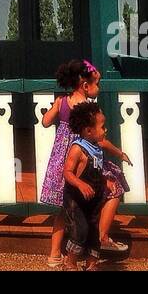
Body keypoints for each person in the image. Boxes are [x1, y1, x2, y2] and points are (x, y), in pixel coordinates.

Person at [38, 59, 90, 268]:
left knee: (62, 208)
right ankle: (81, 253)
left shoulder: (62, 102)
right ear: (82, 82)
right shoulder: (87, 106)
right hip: (81, 155)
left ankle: (54, 253)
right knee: (83, 205)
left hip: (61, 157)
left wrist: (55, 108)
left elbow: (45, 121)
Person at [80, 62, 132, 255]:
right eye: (98, 83)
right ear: (86, 85)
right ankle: (102, 237)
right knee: (115, 188)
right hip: (90, 162)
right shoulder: (88, 110)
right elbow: (100, 141)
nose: (99, 88)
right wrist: (119, 153)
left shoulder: (71, 102)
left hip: (82, 159)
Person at [62, 101, 109, 271]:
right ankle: (70, 262)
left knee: (93, 230)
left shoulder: (97, 147)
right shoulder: (78, 149)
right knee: (79, 229)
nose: (105, 130)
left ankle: (91, 264)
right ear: (89, 131)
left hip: (93, 198)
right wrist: (80, 184)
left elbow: (97, 169)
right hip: (76, 198)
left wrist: (105, 180)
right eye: (103, 127)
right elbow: (67, 172)